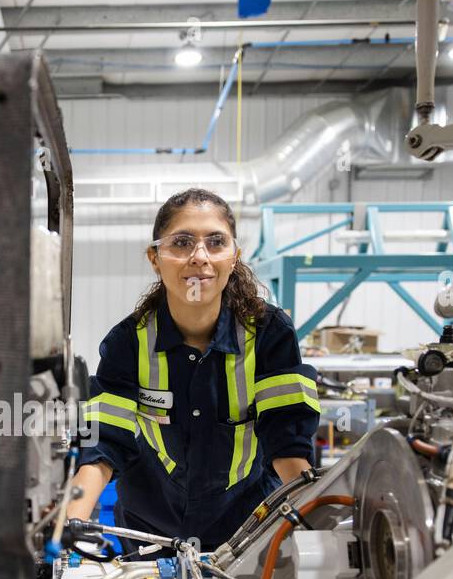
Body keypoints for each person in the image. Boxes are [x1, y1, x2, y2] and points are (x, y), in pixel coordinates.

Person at [65, 187, 319, 553]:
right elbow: (105, 442)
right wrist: (74, 522)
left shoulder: (268, 334)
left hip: (246, 529)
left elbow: (287, 440)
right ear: (155, 257)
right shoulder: (129, 342)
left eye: (216, 242)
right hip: (150, 529)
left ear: (234, 257)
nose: (199, 257)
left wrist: (312, 524)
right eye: (181, 243)